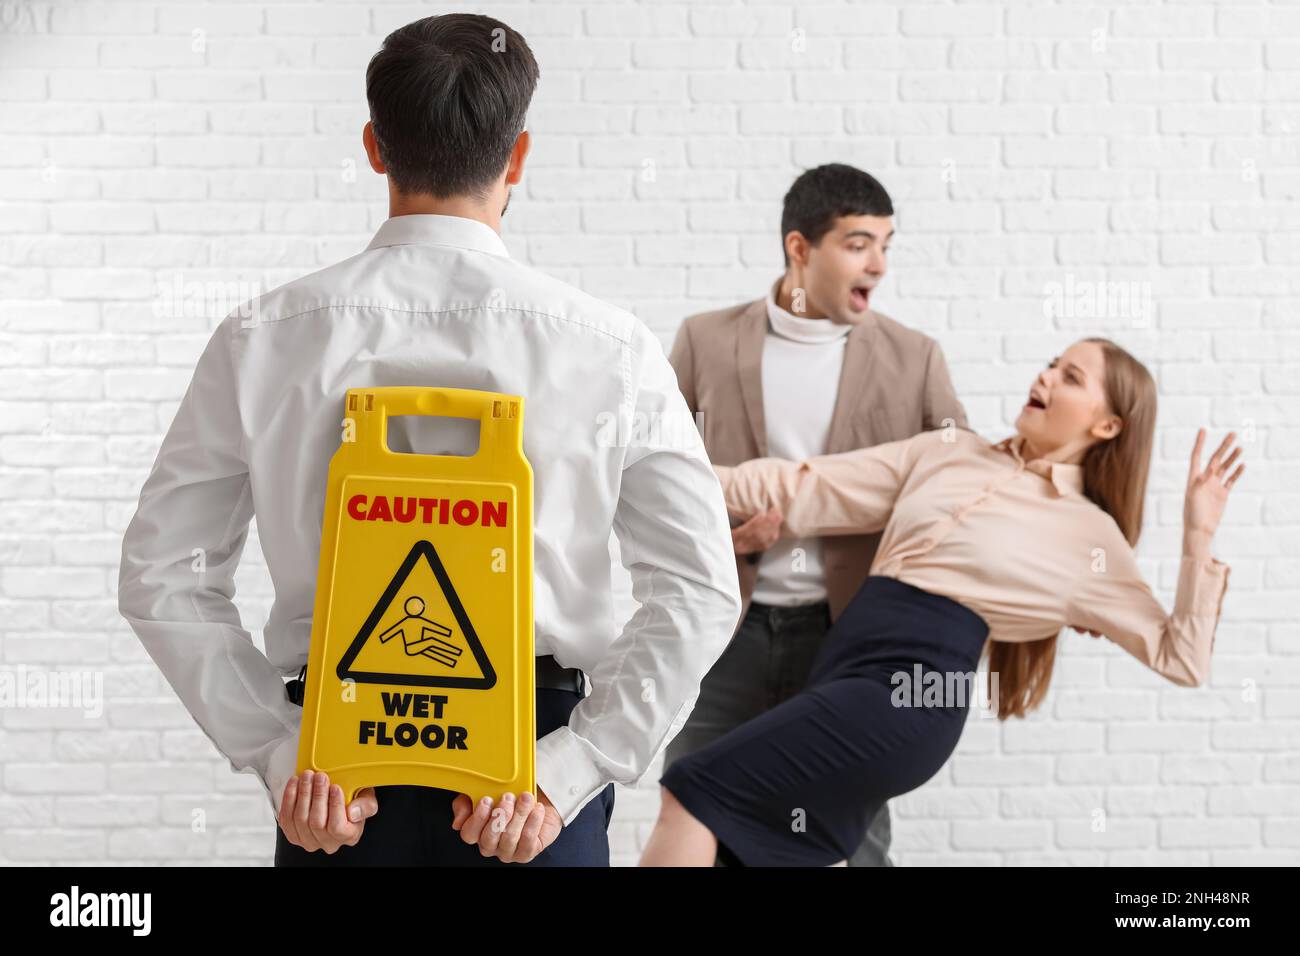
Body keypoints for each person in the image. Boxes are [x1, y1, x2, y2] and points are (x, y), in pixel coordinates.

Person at [117, 13, 741, 867]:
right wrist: (573, 765)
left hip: (337, 790)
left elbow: (163, 573)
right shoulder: (610, 349)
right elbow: (700, 587)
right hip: (526, 799)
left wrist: (280, 748)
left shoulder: (264, 337)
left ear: (375, 147)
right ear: (518, 157)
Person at [640, 337, 1242, 866]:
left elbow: (1180, 657)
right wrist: (664, 466)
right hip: (841, 671)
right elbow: (804, 486)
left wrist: (1197, 537)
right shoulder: (948, 452)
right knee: (779, 849)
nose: (1045, 376)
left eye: (1071, 377)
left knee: (695, 788)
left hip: (913, 694)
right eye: (1052, 363)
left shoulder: (1089, 535)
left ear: (1106, 425)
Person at [663, 164, 967, 867]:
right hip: (725, 635)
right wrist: (729, 537)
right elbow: (658, 485)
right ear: (800, 249)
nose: (880, 265)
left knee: (852, 847)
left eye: (887, 245)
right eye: (860, 244)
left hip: (852, 644)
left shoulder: (916, 359)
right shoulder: (704, 341)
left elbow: (964, 496)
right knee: (697, 819)